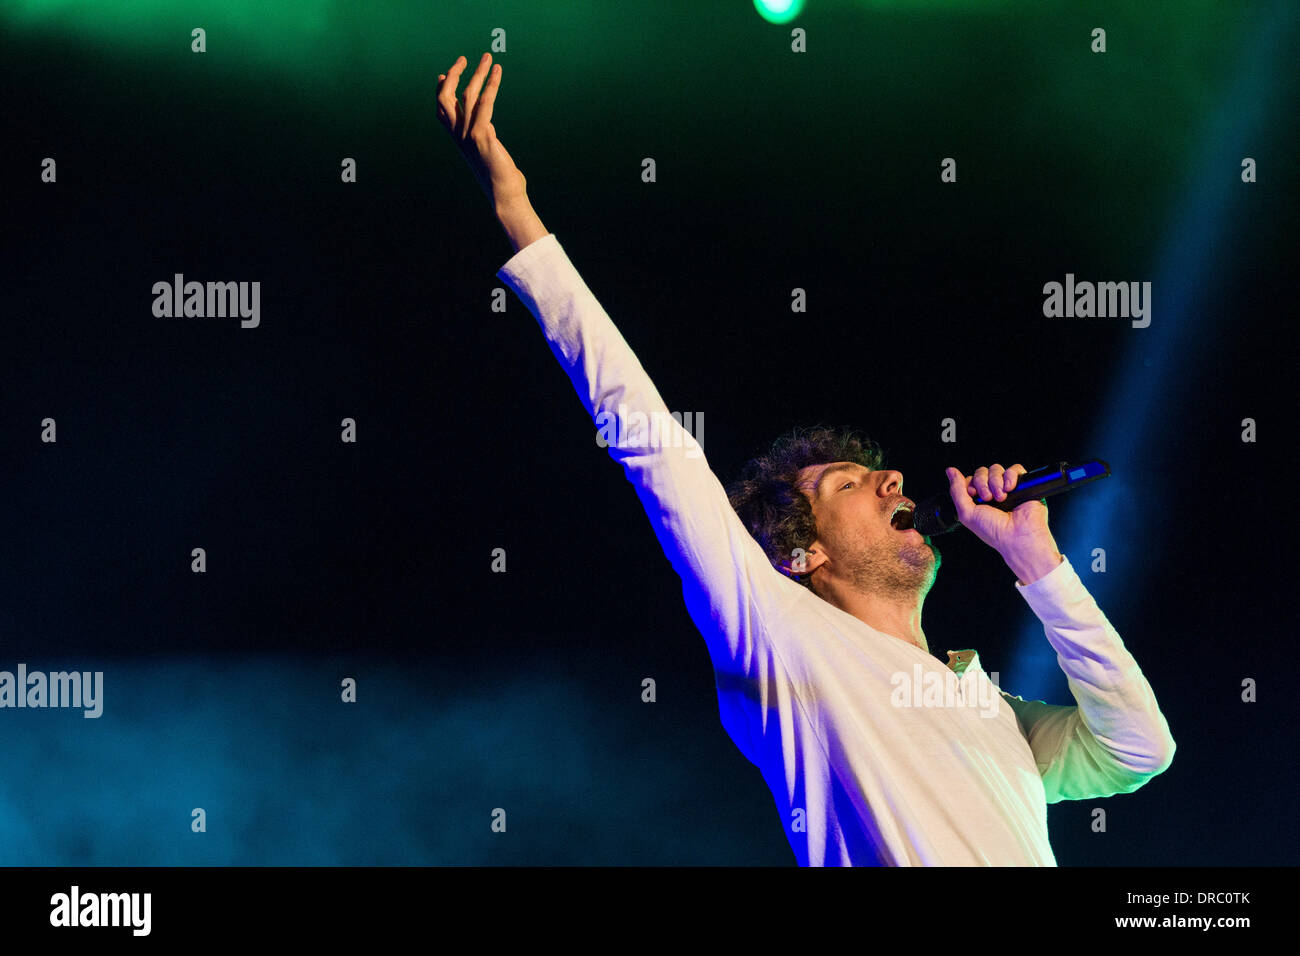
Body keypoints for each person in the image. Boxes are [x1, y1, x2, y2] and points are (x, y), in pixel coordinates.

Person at [435, 53, 1175, 865]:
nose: (895, 479)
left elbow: (1139, 749)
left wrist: (1041, 569)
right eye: (850, 484)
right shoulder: (786, 644)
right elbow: (649, 437)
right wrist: (519, 217)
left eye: (877, 471)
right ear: (803, 552)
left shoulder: (986, 703)